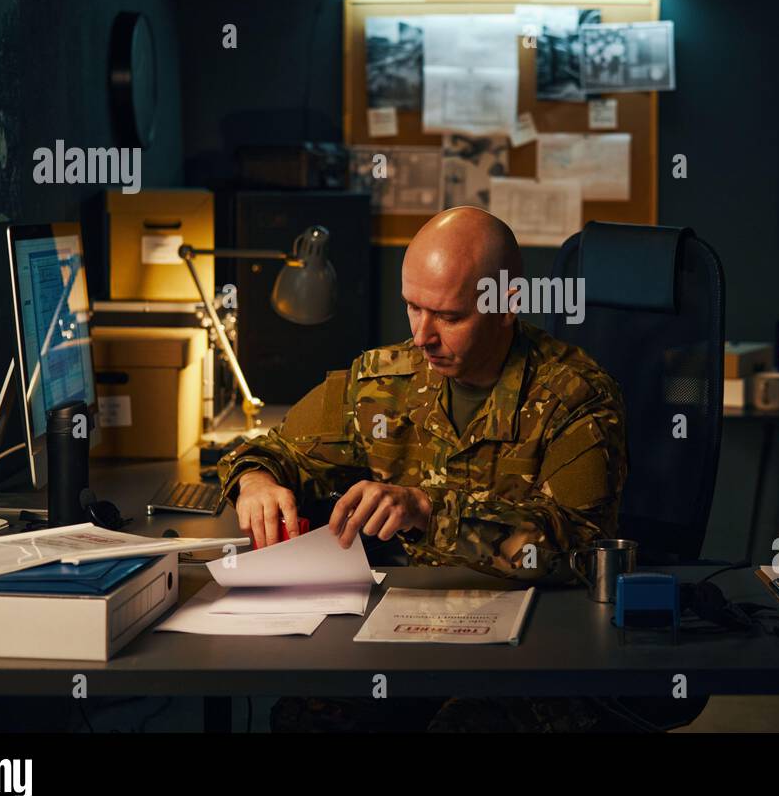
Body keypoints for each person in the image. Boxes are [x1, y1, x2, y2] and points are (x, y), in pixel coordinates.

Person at [218, 207, 691, 731]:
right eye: (412, 308)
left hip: (535, 642)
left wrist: (426, 509)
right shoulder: (379, 381)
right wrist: (256, 480)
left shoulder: (576, 396)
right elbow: (272, 450)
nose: (422, 337)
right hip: (406, 635)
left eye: (447, 316)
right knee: (309, 716)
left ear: (507, 305)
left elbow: (575, 547)